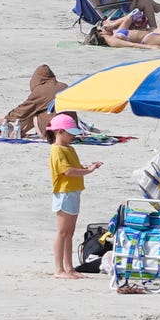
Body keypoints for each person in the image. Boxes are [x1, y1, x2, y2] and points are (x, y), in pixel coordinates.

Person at [47, 112, 103, 278]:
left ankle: (69, 268)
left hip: (73, 192)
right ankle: (59, 269)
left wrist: (89, 167)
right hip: (64, 192)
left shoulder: (69, 148)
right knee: (62, 232)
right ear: (59, 132)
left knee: (69, 232)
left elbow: (74, 168)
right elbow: (67, 171)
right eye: (70, 132)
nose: (72, 136)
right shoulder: (57, 150)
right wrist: (89, 170)